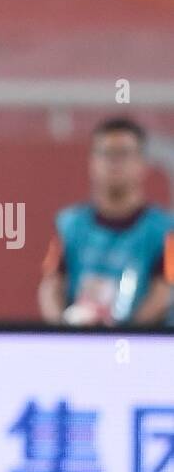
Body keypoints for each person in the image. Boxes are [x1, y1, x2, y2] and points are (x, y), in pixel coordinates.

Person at [39, 116, 173, 327]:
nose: (114, 163)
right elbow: (51, 285)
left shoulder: (166, 231)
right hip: (80, 344)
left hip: (143, 346)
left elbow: (165, 291)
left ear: (143, 163)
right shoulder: (68, 225)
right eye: (106, 154)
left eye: (124, 154)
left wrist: (124, 335)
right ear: (92, 162)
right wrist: (63, 330)